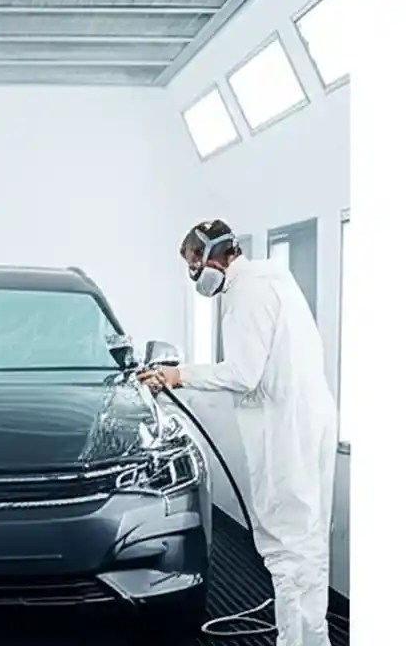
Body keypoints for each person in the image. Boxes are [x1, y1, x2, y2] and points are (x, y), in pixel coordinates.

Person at [139, 219, 338, 646]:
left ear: (212, 256)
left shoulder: (244, 293)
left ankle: (295, 641)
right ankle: (313, 639)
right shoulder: (274, 278)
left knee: (284, 547)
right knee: (308, 542)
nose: (195, 276)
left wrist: (178, 375)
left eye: (193, 264)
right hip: (309, 419)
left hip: (284, 429)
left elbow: (243, 374)